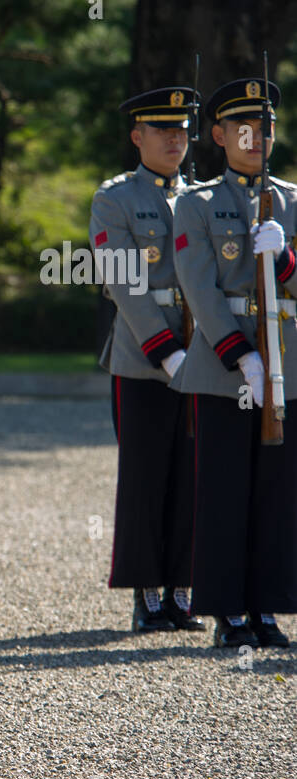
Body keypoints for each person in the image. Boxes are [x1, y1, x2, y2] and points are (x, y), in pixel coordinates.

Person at [172, 76, 296, 648]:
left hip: (286, 365)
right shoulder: (196, 204)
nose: (257, 137)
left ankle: (268, 606)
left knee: (278, 491)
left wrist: (286, 258)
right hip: (227, 369)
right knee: (224, 490)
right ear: (219, 135)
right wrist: (239, 352)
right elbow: (197, 287)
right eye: (243, 127)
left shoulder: (292, 199)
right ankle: (229, 611)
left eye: (265, 126)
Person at [89, 86, 203, 634]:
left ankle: (183, 588)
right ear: (137, 137)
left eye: (181, 129)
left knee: (194, 474)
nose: (174, 139)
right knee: (145, 475)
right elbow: (125, 284)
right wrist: (167, 353)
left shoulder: (205, 196)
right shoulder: (115, 198)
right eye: (162, 130)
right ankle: (147, 593)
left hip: (205, 357)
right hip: (142, 357)